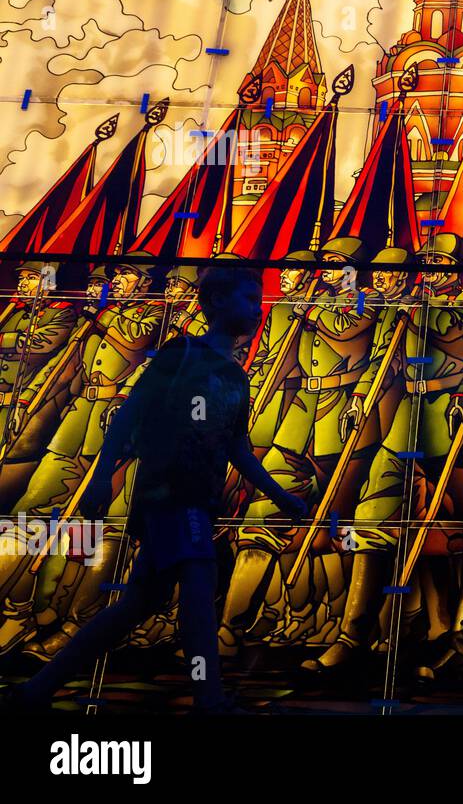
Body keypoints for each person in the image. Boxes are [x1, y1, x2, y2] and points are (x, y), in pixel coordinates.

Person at [5, 265, 308, 713]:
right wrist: (101, 478)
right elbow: (131, 414)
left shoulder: (236, 374)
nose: (255, 307)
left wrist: (280, 496)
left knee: (133, 607)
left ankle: (37, 690)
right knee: (199, 602)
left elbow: (236, 447)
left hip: (196, 501)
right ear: (218, 302)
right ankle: (209, 700)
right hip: (171, 496)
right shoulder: (181, 354)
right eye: (248, 298)